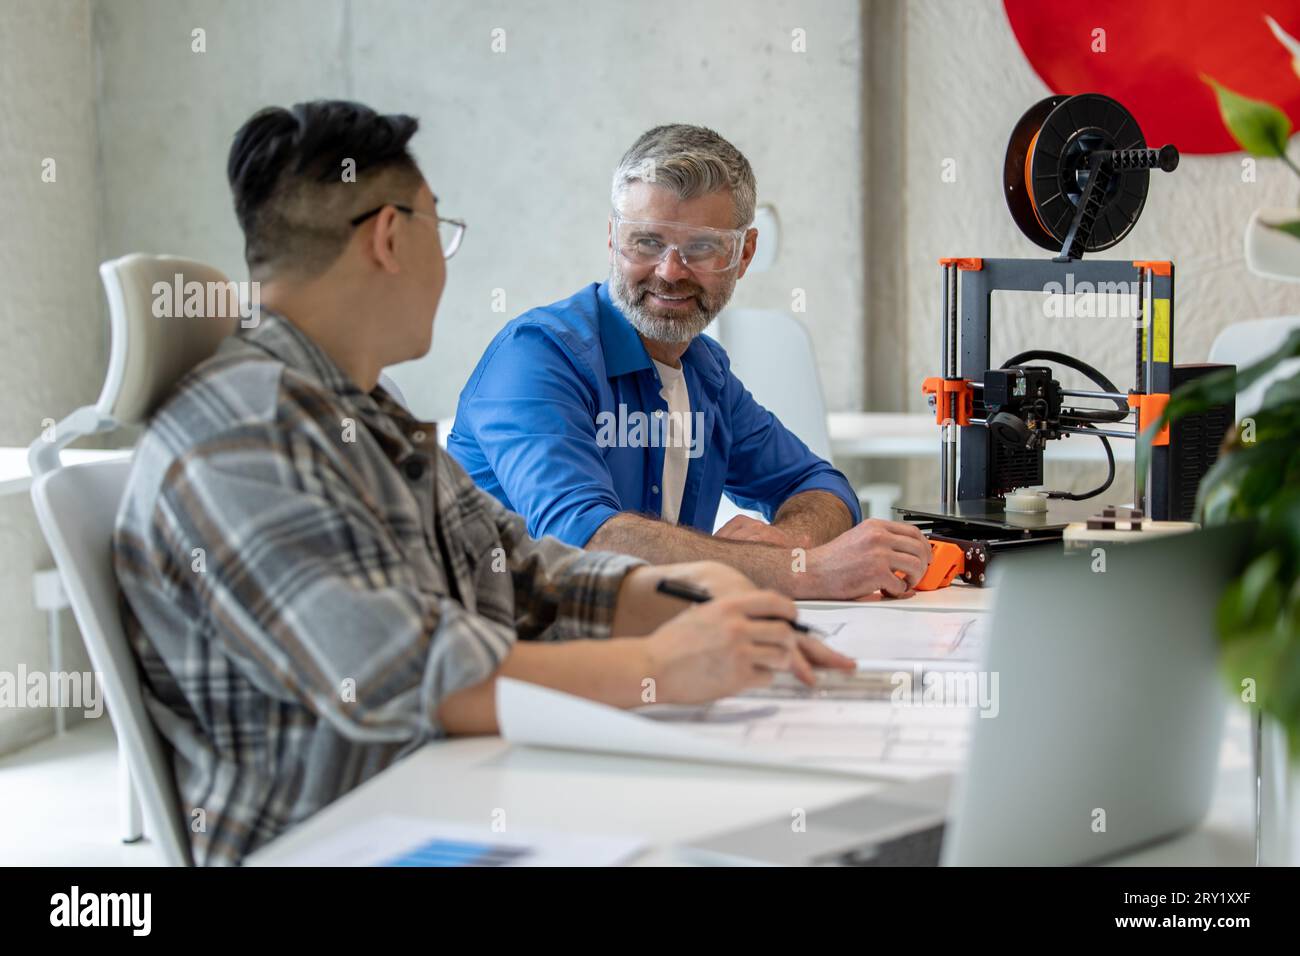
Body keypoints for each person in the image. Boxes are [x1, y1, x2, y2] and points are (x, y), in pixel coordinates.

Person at [112, 102, 852, 866]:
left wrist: (685, 594)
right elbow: (397, 677)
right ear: (391, 238)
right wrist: (663, 666)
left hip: (447, 789)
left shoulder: (362, 407)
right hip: (350, 837)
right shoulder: (244, 435)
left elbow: (516, 569)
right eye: (444, 231)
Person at [448, 124, 930, 601]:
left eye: (702, 246)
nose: (670, 271)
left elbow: (817, 484)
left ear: (743, 254)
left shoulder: (704, 372)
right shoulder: (536, 356)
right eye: (647, 242)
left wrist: (794, 544)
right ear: (613, 240)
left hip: (654, 650)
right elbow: (587, 540)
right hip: (515, 664)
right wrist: (805, 572)